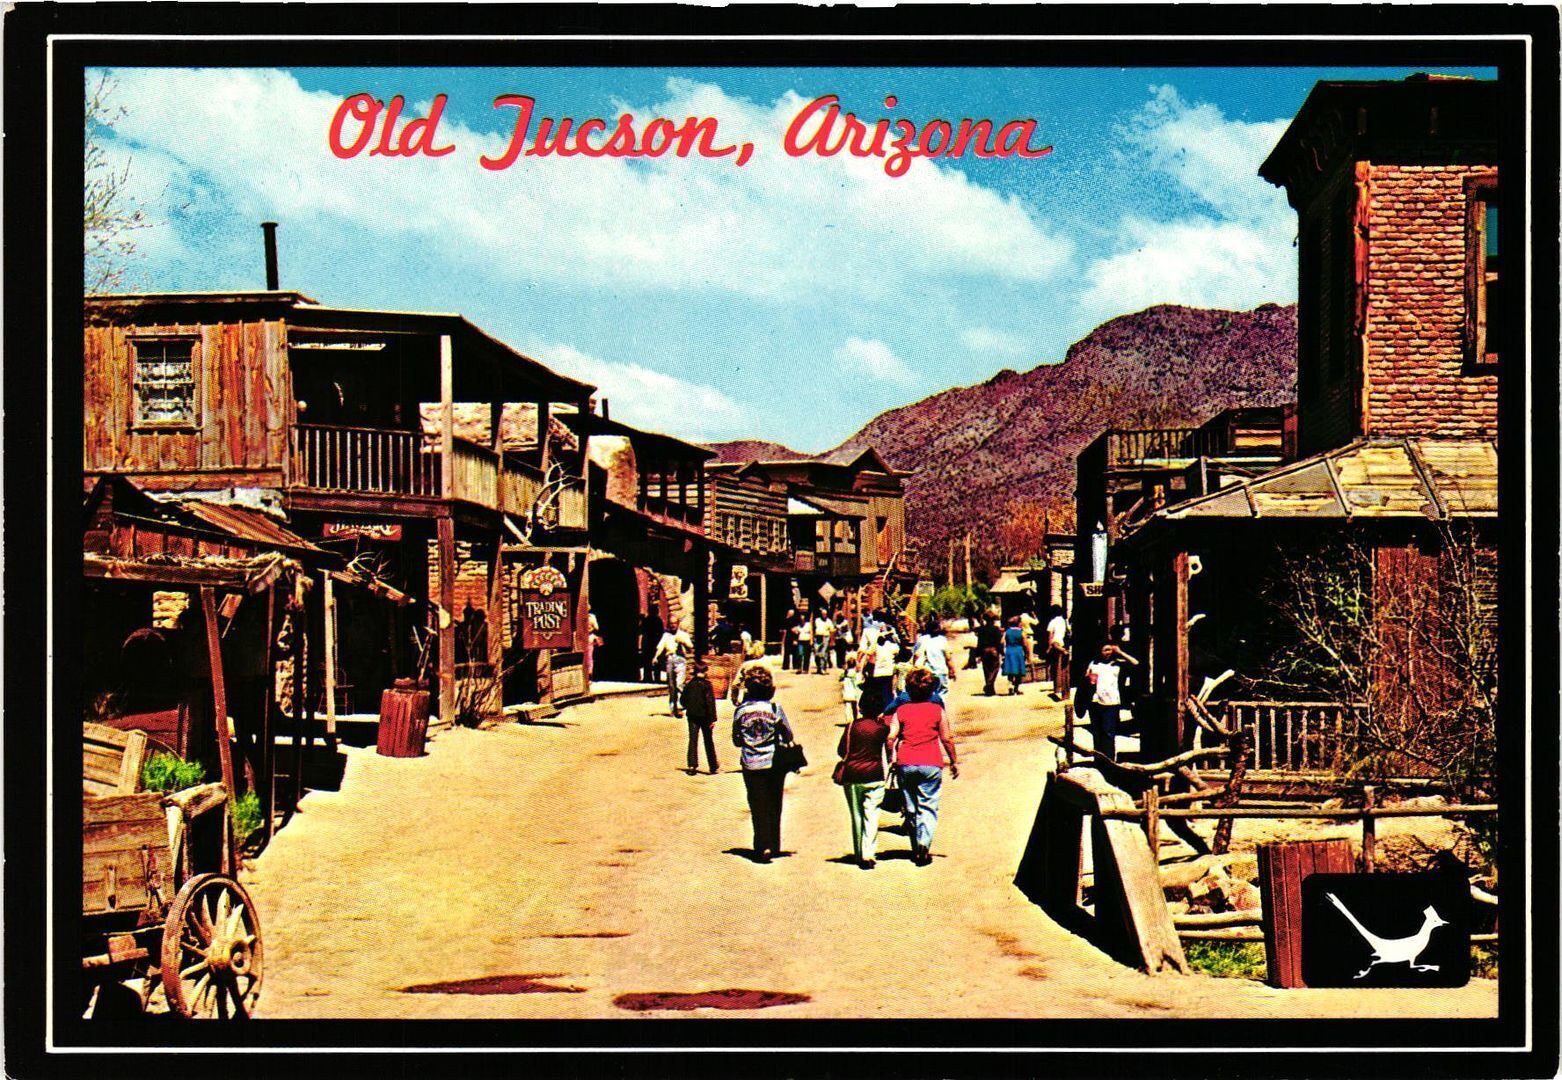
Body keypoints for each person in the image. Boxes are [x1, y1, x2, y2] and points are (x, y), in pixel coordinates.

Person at [888, 667, 959, 866]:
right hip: (931, 762)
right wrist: (953, 761)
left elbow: (891, 737)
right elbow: (947, 738)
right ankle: (923, 845)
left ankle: (914, 846)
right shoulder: (937, 710)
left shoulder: (901, 711)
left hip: (906, 762)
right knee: (928, 805)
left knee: (911, 807)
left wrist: (891, 757)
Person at [731, 667, 794, 863]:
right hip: (774, 761)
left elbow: (736, 739)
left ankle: (762, 845)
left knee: (757, 804)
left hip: (751, 763)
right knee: (775, 803)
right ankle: (774, 844)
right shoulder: (775, 709)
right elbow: (788, 735)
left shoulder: (741, 711)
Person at [836, 681, 892, 869]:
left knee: (857, 815)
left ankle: (859, 853)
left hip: (852, 775)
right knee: (872, 814)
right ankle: (869, 853)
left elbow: (841, 750)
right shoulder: (882, 728)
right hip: (875, 775)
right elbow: (889, 748)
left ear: (860, 707)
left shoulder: (851, 726)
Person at [1085, 642, 1140, 761]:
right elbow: (1088, 681)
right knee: (1097, 732)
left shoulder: (1117, 664)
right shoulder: (1094, 664)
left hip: (1112, 703)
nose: (1107, 653)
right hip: (1095, 702)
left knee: (1108, 732)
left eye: (1110, 650)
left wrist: (1120, 652)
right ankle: (1098, 759)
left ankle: (1109, 760)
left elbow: (1136, 663)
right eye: (1105, 650)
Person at [680, 661, 720, 775]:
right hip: (705, 717)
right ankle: (712, 765)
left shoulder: (689, 685)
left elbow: (682, 700)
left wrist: (689, 706)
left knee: (693, 740)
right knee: (708, 740)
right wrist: (713, 718)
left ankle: (692, 765)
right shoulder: (707, 685)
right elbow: (710, 703)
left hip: (692, 716)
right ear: (705, 672)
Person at [652, 625, 691, 717]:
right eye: (671, 623)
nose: (673, 626)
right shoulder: (666, 635)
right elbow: (660, 647)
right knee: (671, 686)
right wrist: (656, 657)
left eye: (674, 623)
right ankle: (674, 709)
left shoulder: (683, 635)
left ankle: (685, 702)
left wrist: (683, 642)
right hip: (669, 659)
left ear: (677, 624)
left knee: (679, 684)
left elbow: (690, 647)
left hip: (680, 659)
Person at [912, 616, 954, 692]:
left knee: (928, 693)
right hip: (941, 672)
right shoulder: (942, 640)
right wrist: (951, 670)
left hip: (927, 673)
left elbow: (916, 655)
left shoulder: (922, 640)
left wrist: (915, 669)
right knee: (942, 692)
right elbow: (948, 658)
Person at [974, 612, 1003, 696]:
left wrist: (978, 654)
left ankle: (989, 688)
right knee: (995, 668)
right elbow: (998, 642)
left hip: (984, 650)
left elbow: (979, 642)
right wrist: (1001, 651)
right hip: (994, 650)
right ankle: (989, 685)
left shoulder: (981, 629)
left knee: (986, 670)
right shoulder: (996, 629)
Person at [1045, 606, 1071, 700]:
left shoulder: (1052, 622)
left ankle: (1057, 688)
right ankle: (1064, 689)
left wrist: (1048, 647)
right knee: (1064, 668)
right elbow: (1069, 632)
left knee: (1056, 667)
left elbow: (1050, 635)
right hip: (1063, 644)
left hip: (1055, 645)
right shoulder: (1065, 621)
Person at [1002, 616, 1028, 696]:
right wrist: (1026, 653)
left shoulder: (1007, 632)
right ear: (1019, 623)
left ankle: (1010, 686)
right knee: (1018, 671)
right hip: (1018, 651)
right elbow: (1025, 644)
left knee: (1010, 670)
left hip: (1009, 651)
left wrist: (1004, 648)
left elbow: (1002, 641)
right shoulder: (1021, 632)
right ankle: (1016, 688)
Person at [639, 609, 664, 683]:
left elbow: (641, 630)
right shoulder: (658, 620)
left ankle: (647, 677)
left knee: (647, 661)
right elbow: (661, 632)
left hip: (647, 643)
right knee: (656, 661)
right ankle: (657, 678)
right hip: (655, 642)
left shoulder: (646, 620)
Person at [840, 653, 863, 722]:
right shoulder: (856, 673)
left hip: (847, 692)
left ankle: (848, 719)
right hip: (855, 693)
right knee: (855, 707)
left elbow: (841, 679)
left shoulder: (846, 673)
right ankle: (856, 719)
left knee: (848, 706)